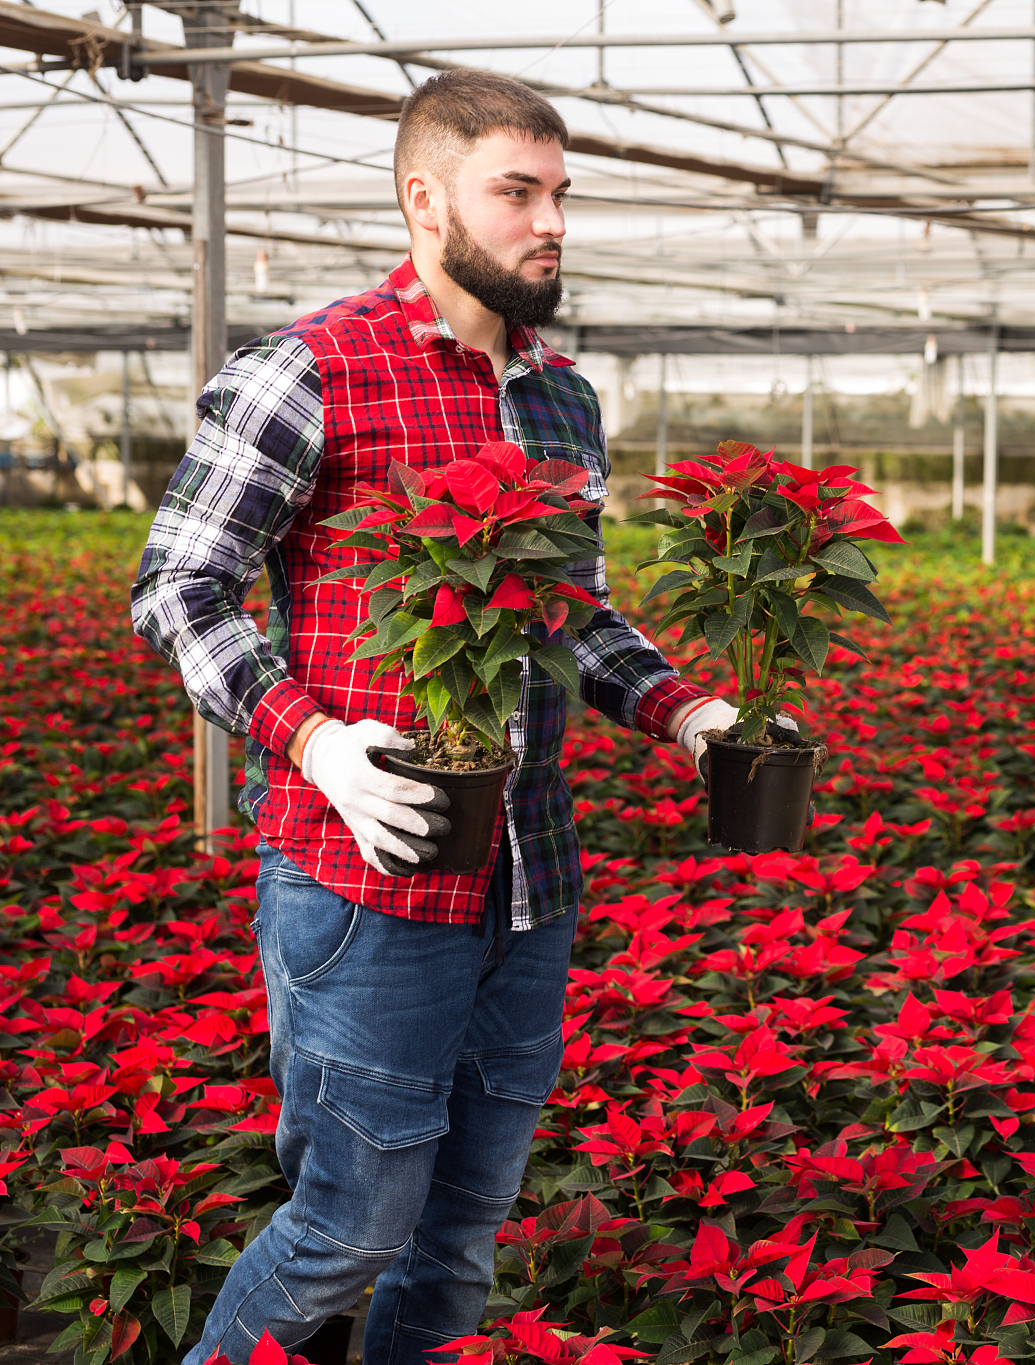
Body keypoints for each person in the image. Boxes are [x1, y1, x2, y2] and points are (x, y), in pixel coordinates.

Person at [131, 70, 744, 1365]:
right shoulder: (312, 372)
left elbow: (573, 614)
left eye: (560, 195)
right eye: (516, 192)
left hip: (530, 877)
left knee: (462, 1231)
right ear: (426, 200)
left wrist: (689, 714)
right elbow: (179, 587)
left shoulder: (565, 399)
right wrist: (315, 739)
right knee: (349, 1225)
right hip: (365, 870)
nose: (551, 223)